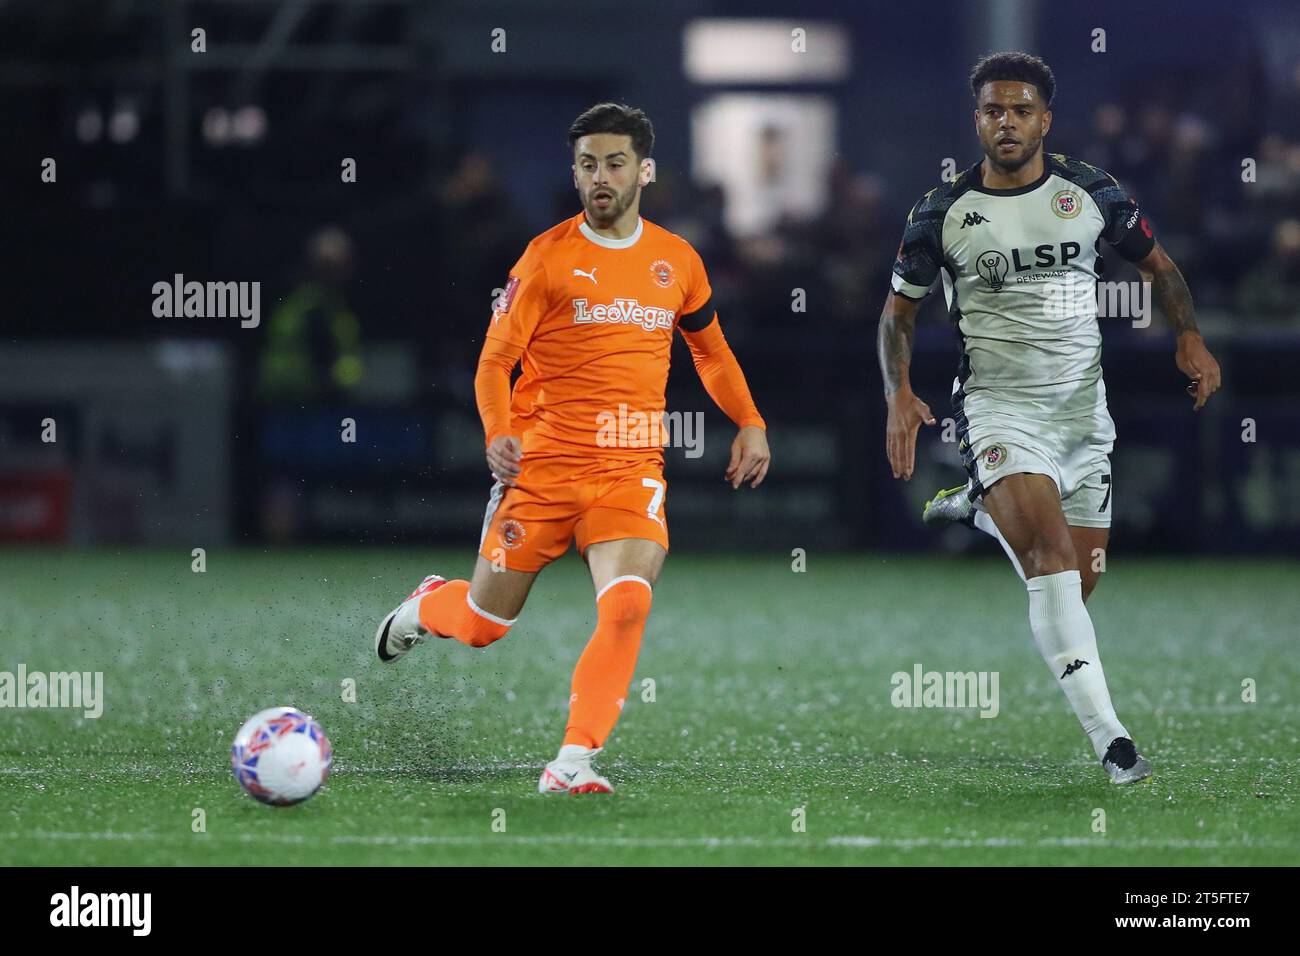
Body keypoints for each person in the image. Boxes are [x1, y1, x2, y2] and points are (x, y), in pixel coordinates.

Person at [373, 103, 771, 794]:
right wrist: (499, 431)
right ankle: (426, 605)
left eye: (614, 163)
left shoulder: (677, 261)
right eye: (587, 164)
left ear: (644, 170)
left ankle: (572, 762)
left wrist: (750, 420)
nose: (600, 178)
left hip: (629, 468)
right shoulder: (547, 258)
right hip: (544, 465)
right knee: (483, 625)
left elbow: (710, 351)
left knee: (626, 604)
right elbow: (495, 362)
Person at [878, 53, 1222, 784]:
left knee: (1076, 585)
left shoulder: (1091, 192)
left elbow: (1159, 267)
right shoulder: (941, 211)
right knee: (1051, 565)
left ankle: (979, 511)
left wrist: (1188, 334)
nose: (1008, 122)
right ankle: (1114, 745)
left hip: (1082, 417)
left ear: (1046, 119)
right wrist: (898, 391)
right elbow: (897, 313)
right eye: (994, 111)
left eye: (1021, 110)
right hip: (1000, 410)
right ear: (977, 121)